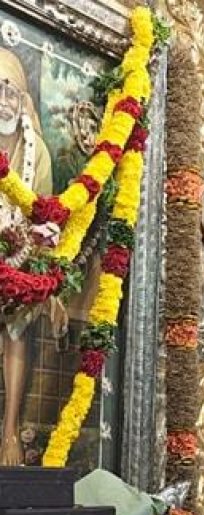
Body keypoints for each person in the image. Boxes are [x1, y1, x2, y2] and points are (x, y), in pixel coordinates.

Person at [0, 48, 65, 465]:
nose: (5, 98)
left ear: (23, 99)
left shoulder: (34, 149)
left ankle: (9, 433)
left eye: (12, 91)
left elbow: (43, 211)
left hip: (17, 255)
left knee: (17, 330)